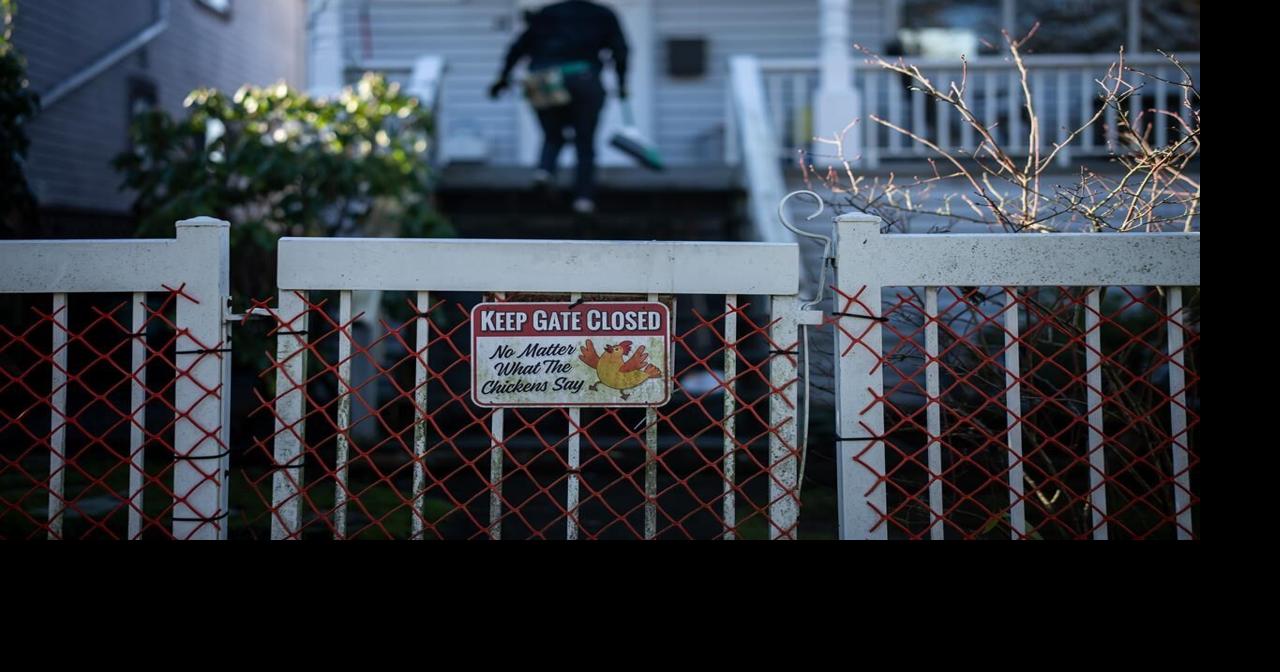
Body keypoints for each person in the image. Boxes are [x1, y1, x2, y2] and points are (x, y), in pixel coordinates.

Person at [488, 1, 629, 215]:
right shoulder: (603, 14)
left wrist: (502, 78)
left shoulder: (546, 13)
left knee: (552, 134)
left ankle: (544, 171)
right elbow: (620, 51)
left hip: (543, 78)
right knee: (585, 140)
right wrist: (622, 83)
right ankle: (583, 198)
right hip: (583, 77)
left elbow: (518, 47)